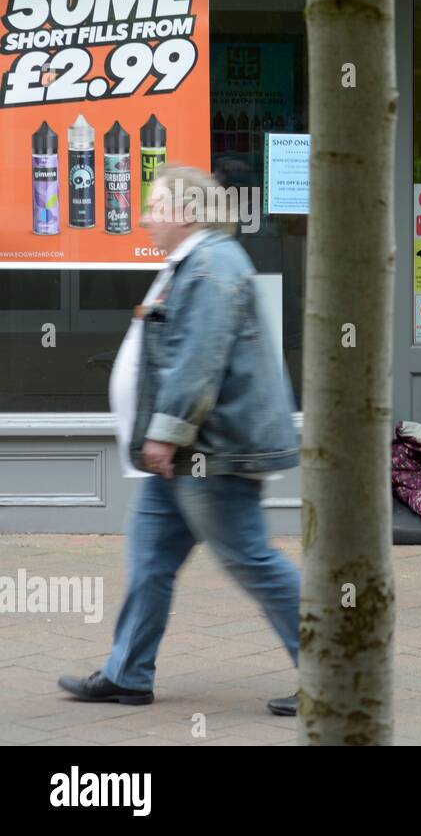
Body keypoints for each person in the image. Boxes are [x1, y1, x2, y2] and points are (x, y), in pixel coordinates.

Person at [58, 165, 303, 716]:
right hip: (184, 455)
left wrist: (167, 435)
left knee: (251, 558)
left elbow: (199, 360)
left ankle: (335, 668)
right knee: (149, 557)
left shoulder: (212, 264)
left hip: (211, 452)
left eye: (156, 206)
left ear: (187, 212)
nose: (144, 217)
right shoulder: (193, 263)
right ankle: (127, 673)